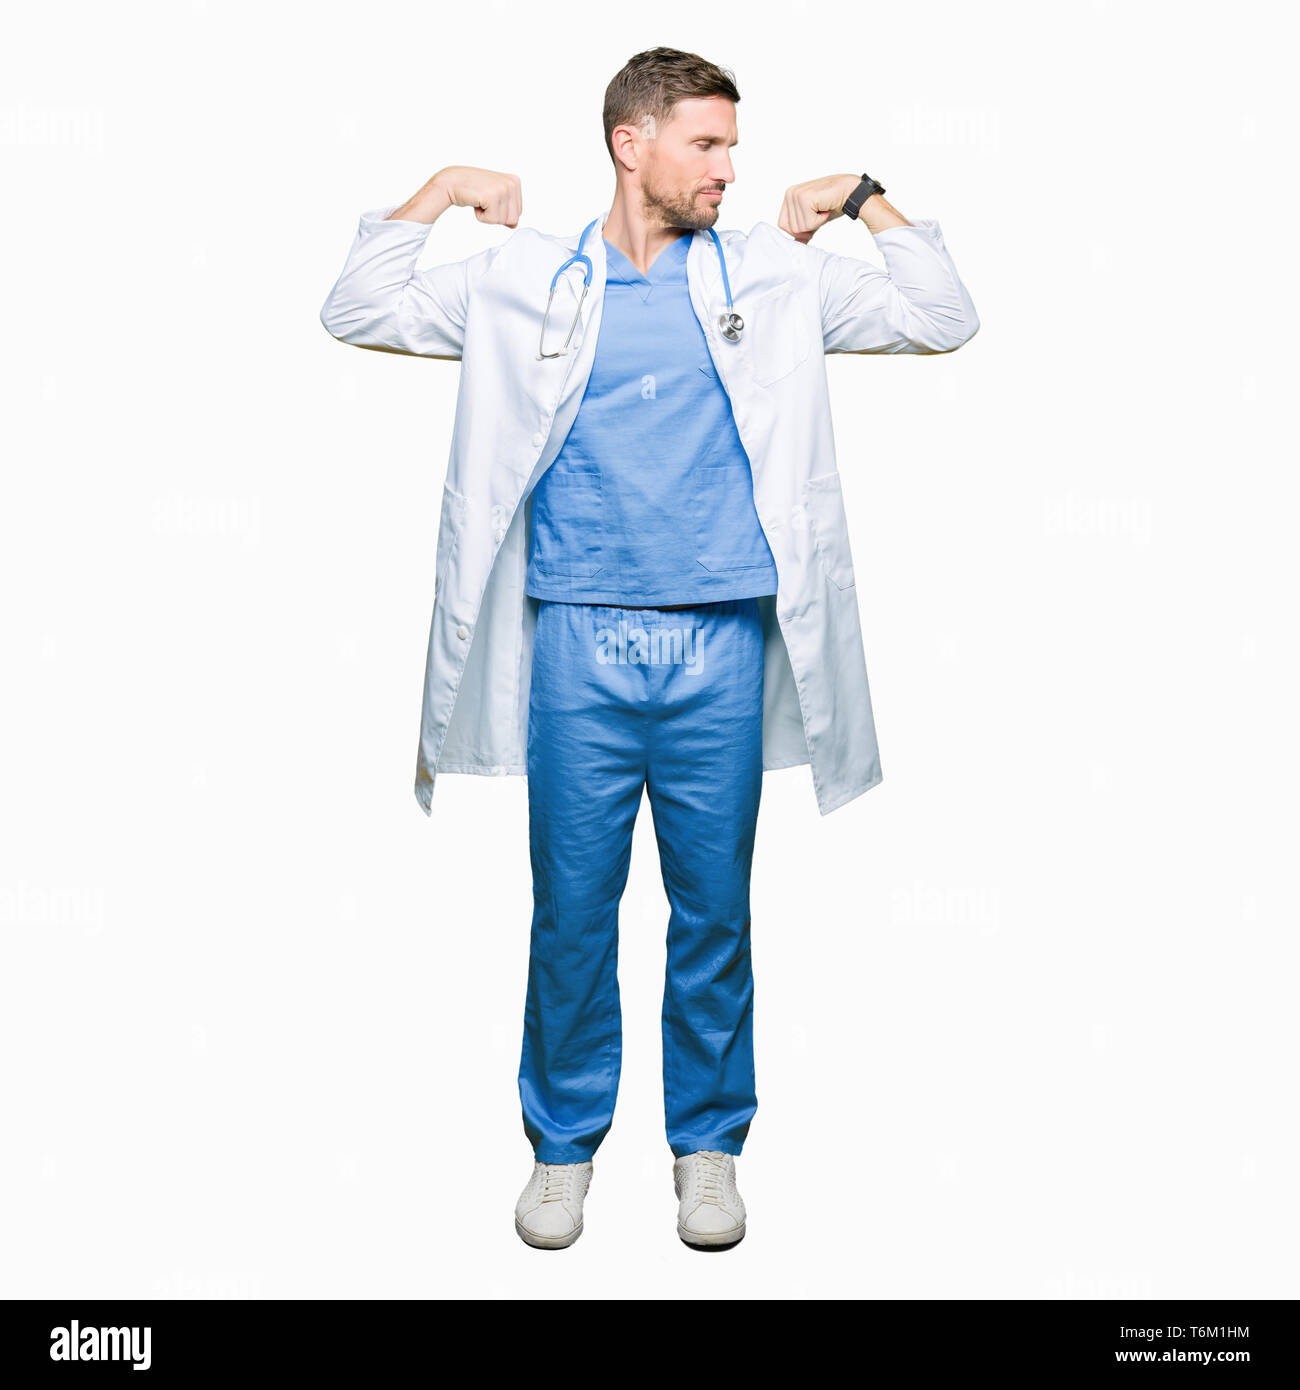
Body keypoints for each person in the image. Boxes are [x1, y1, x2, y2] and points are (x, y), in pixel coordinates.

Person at [319, 46, 979, 1251]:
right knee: (571, 911)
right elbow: (355, 307)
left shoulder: (776, 279)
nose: (730, 168)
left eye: (733, 144)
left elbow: (944, 316)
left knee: (712, 913)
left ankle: (708, 1149)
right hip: (577, 638)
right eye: (707, 144)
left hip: (719, 641)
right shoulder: (524, 281)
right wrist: (439, 190)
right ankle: (562, 1149)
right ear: (632, 143)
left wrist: (865, 196)